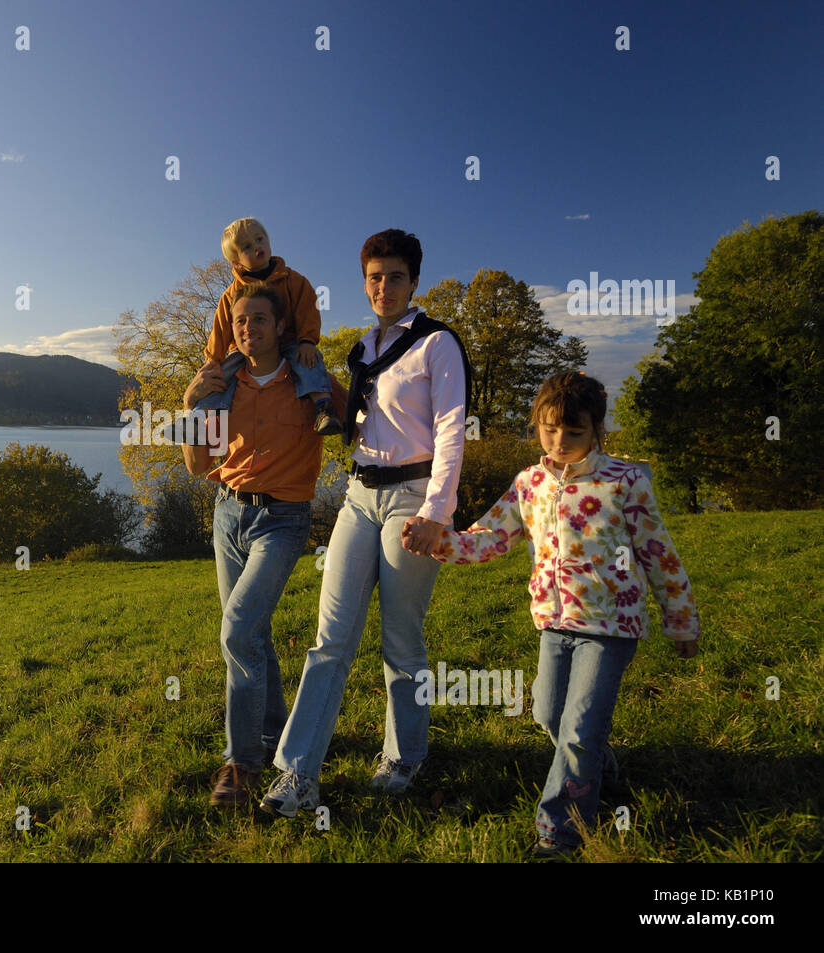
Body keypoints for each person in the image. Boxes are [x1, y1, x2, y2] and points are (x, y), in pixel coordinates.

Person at [415, 371, 700, 855]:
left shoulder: (625, 480)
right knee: (550, 715)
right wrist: (440, 539)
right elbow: (492, 537)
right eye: (550, 429)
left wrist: (681, 620)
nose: (561, 440)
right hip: (553, 625)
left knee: (579, 730)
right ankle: (598, 767)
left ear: (596, 430)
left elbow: (657, 551)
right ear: (538, 426)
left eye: (574, 431)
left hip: (612, 625)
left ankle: (559, 833)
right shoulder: (531, 483)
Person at [260, 228, 470, 817]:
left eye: (395, 276)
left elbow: (452, 431)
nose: (384, 287)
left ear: (414, 281)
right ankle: (296, 775)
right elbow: (351, 421)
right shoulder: (361, 350)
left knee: (401, 637)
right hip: (357, 496)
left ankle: (404, 754)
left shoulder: (437, 345)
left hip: (412, 497)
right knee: (331, 637)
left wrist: (437, 512)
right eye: (374, 277)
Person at [182, 280, 343, 807]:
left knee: (237, 629)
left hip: (283, 519)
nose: (248, 328)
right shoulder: (223, 386)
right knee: (254, 634)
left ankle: (242, 761)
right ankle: (274, 730)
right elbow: (196, 464)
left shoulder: (308, 379)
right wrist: (190, 403)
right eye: (240, 321)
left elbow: (358, 420)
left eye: (259, 319)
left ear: (279, 327)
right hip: (227, 514)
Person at [191, 218, 342, 436]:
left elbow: (307, 309)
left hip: (289, 341)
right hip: (245, 351)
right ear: (236, 262)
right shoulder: (231, 294)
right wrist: (213, 359)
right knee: (219, 376)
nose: (256, 247)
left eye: (260, 239)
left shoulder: (293, 280)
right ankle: (199, 417)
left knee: (309, 361)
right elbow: (221, 327)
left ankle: (324, 408)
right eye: (247, 247)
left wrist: (307, 340)